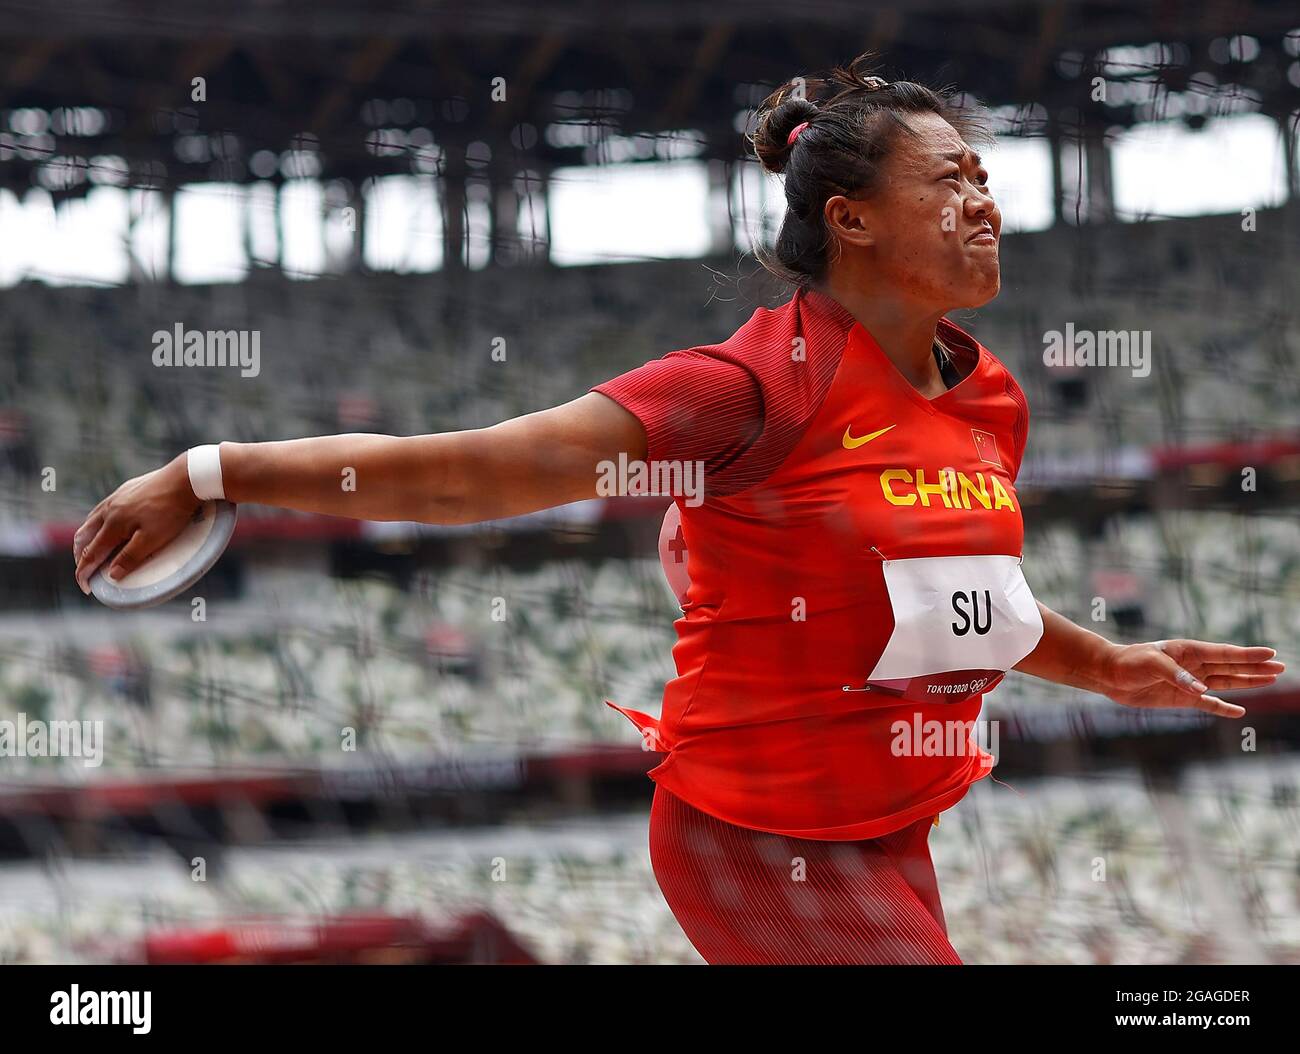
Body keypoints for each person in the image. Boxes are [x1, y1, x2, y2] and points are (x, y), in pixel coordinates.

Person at [73, 54, 1283, 965]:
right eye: (946, 180)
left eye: (983, 178)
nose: (983, 202)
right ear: (849, 218)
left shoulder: (988, 399)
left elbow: (964, 604)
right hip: (750, 828)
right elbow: (471, 470)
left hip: (889, 825)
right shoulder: (748, 388)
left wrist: (1107, 663)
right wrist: (214, 468)